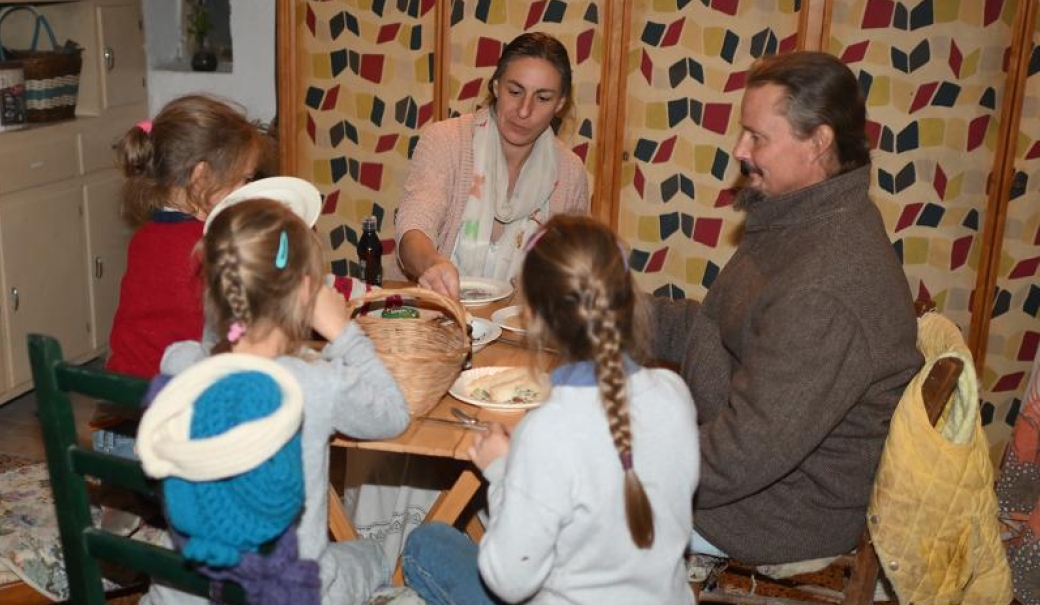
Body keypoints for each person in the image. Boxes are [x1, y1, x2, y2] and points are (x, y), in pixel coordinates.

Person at [647, 51, 923, 565]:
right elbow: (712, 329)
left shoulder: (827, 285)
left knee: (559, 499)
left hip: (769, 514)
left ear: (818, 142)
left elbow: (741, 455)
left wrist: (626, 464)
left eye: (757, 137)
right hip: (743, 469)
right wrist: (610, 314)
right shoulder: (796, 220)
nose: (739, 149)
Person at [400, 215, 700, 604]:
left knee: (426, 544)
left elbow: (509, 580)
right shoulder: (674, 395)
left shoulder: (547, 430)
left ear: (537, 319)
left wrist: (503, 472)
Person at [141, 198, 412, 605]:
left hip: (186, 589)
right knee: (371, 555)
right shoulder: (315, 383)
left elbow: (212, 346)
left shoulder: (179, 364)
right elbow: (393, 415)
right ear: (306, 292)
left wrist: (227, 313)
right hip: (285, 591)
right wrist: (342, 331)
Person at [395, 31, 590, 299]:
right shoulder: (447, 141)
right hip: (440, 321)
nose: (524, 110)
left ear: (560, 104)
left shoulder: (570, 172)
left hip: (520, 332)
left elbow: (572, 269)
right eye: (515, 91)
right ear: (497, 86)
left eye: (542, 98)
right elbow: (414, 227)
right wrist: (432, 264)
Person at [106, 93, 272, 379]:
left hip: (122, 402)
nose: (248, 188)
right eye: (244, 179)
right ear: (202, 177)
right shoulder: (211, 246)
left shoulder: (145, 237)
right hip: (174, 404)